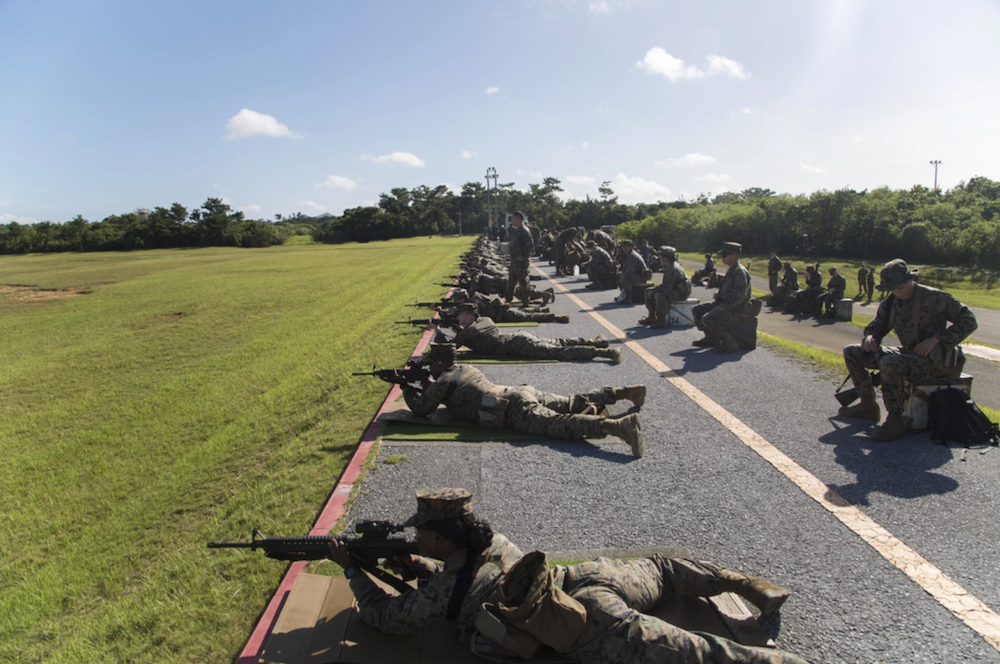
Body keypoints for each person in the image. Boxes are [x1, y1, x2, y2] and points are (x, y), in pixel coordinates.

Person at [328, 488, 811, 664]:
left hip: (587, 621)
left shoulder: (444, 592)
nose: (418, 540)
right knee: (664, 568)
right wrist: (418, 566)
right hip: (584, 577)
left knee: (695, 654)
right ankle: (745, 584)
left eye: (423, 534)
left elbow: (385, 617)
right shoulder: (487, 542)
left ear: (442, 536)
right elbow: (464, 577)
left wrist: (353, 570)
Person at [396, 343, 644, 455]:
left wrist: (406, 386)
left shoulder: (443, 381)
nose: (431, 370)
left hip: (511, 409)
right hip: (519, 392)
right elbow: (451, 389)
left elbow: (420, 408)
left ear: (440, 363)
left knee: (555, 424)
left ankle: (617, 427)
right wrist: (427, 383)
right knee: (571, 401)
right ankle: (624, 392)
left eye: (432, 366)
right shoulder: (465, 369)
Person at [839, 259, 978, 441]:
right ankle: (868, 405)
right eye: (893, 288)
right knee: (852, 352)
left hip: (934, 362)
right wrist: (871, 338)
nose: (898, 291)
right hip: (909, 355)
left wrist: (937, 339)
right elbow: (877, 326)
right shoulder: (891, 302)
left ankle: (896, 419)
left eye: (901, 287)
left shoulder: (935, 298)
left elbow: (969, 321)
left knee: (889, 363)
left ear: (911, 279)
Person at [441, 303, 623, 364]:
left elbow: (448, 348)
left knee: (558, 352)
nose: (458, 318)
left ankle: (604, 353)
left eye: (459, 315)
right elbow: (474, 336)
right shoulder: (485, 320)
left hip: (517, 346)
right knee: (558, 342)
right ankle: (595, 342)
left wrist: (437, 332)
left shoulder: (469, 331)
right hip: (518, 338)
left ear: (467, 314)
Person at [692, 242, 752, 354]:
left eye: (725, 255)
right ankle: (710, 338)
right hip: (725, 303)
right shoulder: (732, 269)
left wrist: (723, 307)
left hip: (736, 308)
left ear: (734, 256)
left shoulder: (740, 272)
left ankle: (730, 342)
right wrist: (719, 294)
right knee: (697, 310)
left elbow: (741, 296)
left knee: (707, 318)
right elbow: (729, 289)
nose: (722, 257)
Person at [638, 246, 692, 329]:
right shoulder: (669, 266)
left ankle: (662, 320)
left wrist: (654, 291)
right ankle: (652, 316)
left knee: (660, 295)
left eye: (661, 256)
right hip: (674, 289)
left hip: (681, 293)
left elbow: (666, 287)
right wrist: (653, 290)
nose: (660, 258)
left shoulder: (674, 269)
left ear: (665, 258)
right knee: (648, 290)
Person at [504, 211, 534, 306]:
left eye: (513, 218)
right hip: (514, 261)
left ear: (518, 219)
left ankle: (526, 302)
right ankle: (508, 300)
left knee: (523, 282)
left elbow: (530, 246)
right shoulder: (516, 230)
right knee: (511, 281)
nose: (511, 220)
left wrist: (524, 257)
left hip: (520, 262)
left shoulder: (524, 231)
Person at [614, 239, 649, 305]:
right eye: (623, 247)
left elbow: (630, 271)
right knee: (618, 275)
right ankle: (624, 295)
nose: (624, 249)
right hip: (635, 275)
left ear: (631, 247)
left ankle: (628, 298)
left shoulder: (633, 256)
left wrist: (622, 275)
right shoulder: (628, 255)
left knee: (625, 277)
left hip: (640, 276)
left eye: (626, 247)